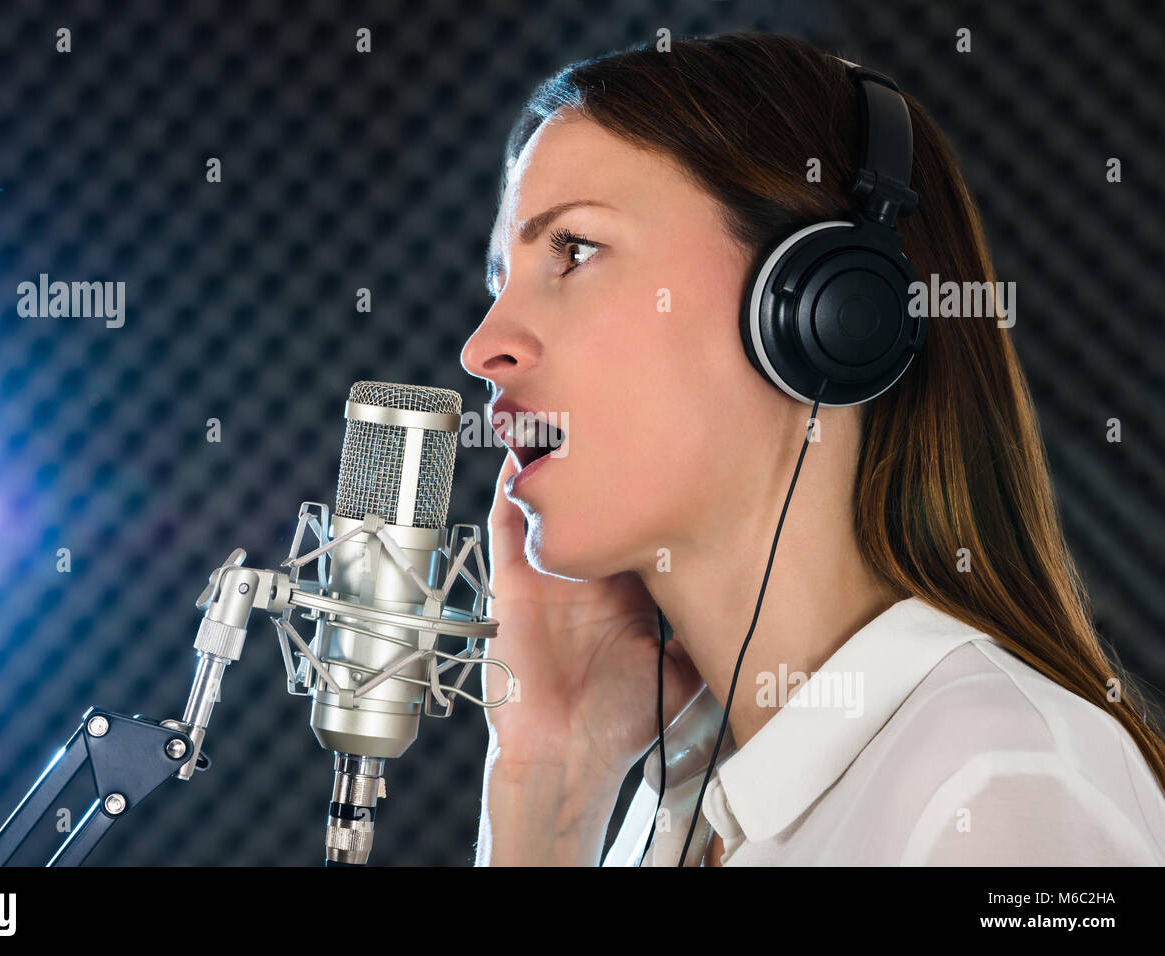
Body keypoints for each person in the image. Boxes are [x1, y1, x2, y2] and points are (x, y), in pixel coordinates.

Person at [458, 32, 1165, 866]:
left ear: (824, 305)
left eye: (574, 250)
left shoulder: (1000, 786)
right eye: (501, 282)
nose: (482, 346)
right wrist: (548, 784)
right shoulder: (690, 809)